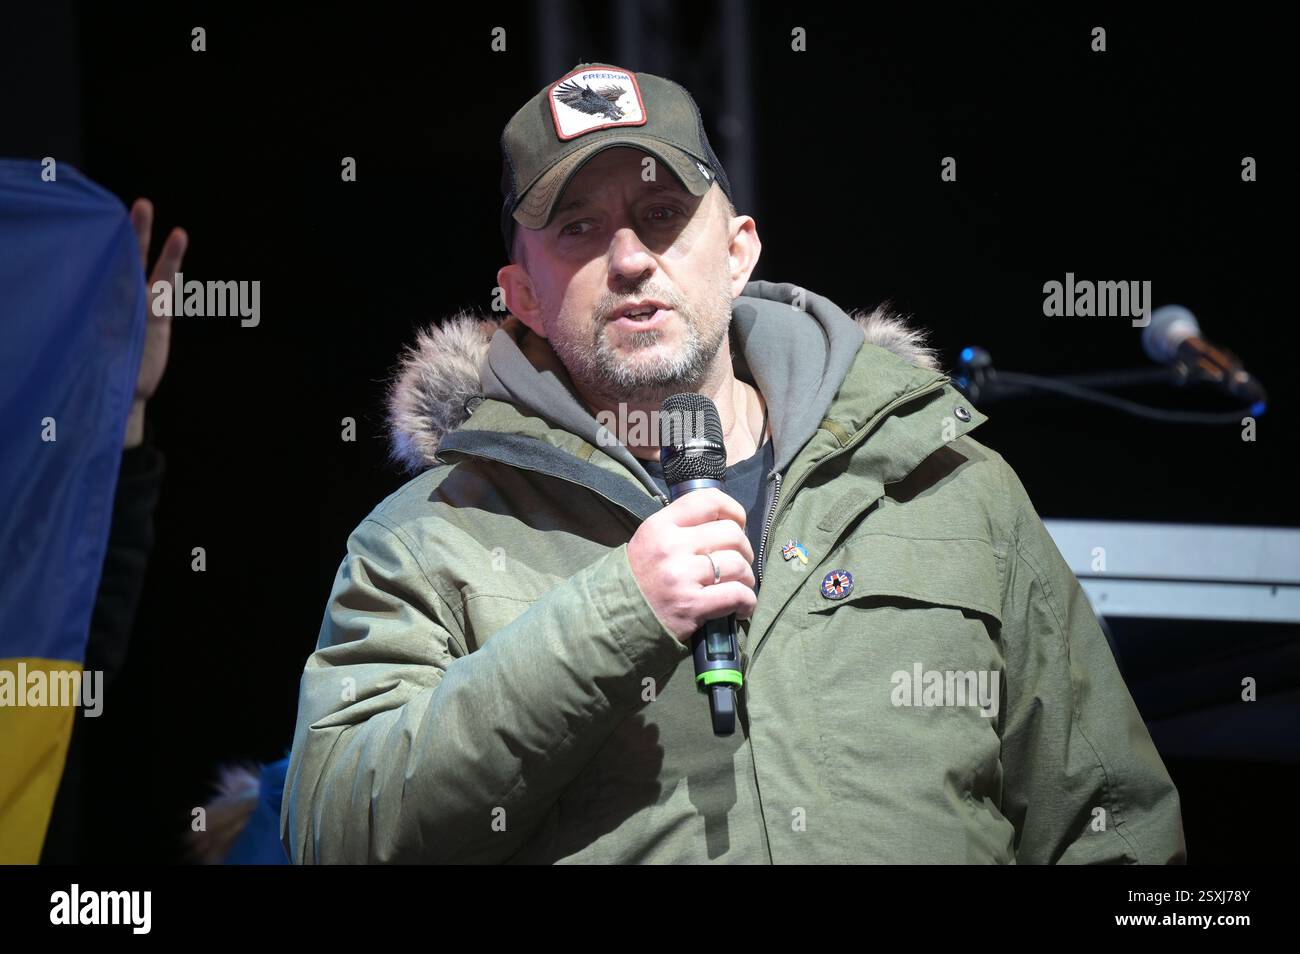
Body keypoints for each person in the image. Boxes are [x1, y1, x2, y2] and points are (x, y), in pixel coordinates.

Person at [281, 62, 1186, 863]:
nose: (630, 258)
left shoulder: (938, 477)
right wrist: (613, 612)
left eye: (663, 214)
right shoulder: (430, 537)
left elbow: (1111, 817)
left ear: (740, 249)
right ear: (519, 294)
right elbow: (336, 831)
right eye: (579, 229)